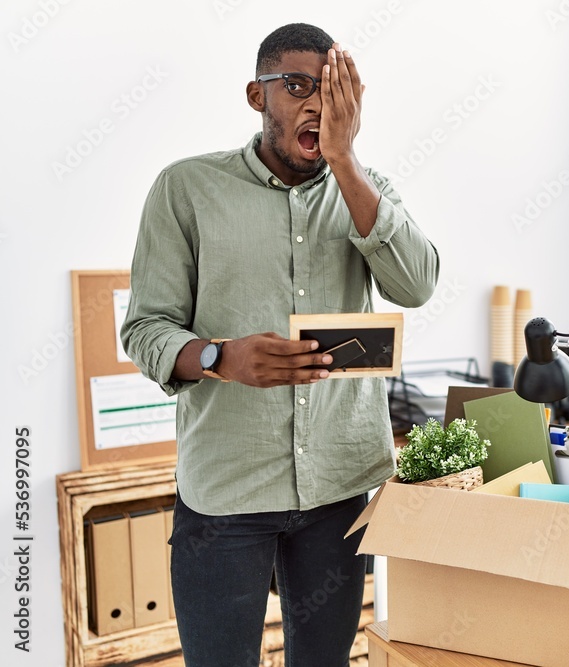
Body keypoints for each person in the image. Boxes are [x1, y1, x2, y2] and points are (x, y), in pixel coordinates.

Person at [121, 23, 439, 667]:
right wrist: (219, 357)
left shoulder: (364, 188)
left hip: (340, 487)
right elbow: (146, 327)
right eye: (298, 87)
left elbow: (417, 284)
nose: (318, 105)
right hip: (226, 494)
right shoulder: (185, 190)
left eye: (335, 90)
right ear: (255, 95)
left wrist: (345, 160)